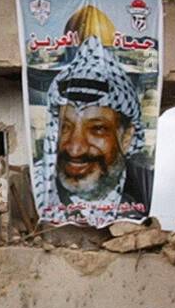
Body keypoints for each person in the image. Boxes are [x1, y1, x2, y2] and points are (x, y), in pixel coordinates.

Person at [38, 36, 152, 227]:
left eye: (97, 129)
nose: (75, 149)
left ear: (126, 137)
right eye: (65, 127)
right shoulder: (35, 188)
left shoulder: (144, 186)